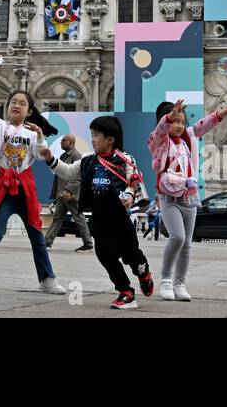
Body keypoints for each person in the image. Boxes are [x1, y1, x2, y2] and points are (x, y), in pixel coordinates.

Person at [0, 72, 65, 295]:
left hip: (25, 189)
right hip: (6, 187)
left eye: (22, 103)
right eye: (13, 102)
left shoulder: (31, 133)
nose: (17, 106)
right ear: (8, 107)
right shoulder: (0, 127)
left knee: (37, 235)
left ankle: (47, 279)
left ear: (29, 111)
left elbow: (40, 156)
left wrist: (41, 137)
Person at [42, 114, 152, 309]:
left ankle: (143, 272)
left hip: (120, 218)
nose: (93, 139)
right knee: (104, 254)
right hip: (99, 218)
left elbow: (133, 181)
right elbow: (67, 171)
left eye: (97, 135)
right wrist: (50, 159)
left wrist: (128, 195)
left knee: (130, 255)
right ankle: (126, 291)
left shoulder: (124, 159)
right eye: (92, 135)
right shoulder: (87, 161)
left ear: (110, 139)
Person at [148, 98, 227, 301]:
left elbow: (203, 124)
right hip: (168, 197)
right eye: (175, 121)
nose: (179, 125)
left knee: (187, 243)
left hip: (189, 197)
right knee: (177, 237)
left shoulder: (189, 137)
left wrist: (223, 112)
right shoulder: (159, 139)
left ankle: (180, 283)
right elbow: (161, 129)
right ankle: (165, 280)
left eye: (182, 121)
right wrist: (169, 117)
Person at [42, 134, 93, 253]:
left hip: (71, 195)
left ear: (71, 142)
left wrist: (68, 190)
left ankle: (88, 244)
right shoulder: (63, 155)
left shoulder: (77, 155)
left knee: (79, 218)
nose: (61, 143)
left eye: (64, 140)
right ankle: (47, 242)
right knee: (57, 218)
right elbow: (59, 176)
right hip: (62, 194)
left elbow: (78, 177)